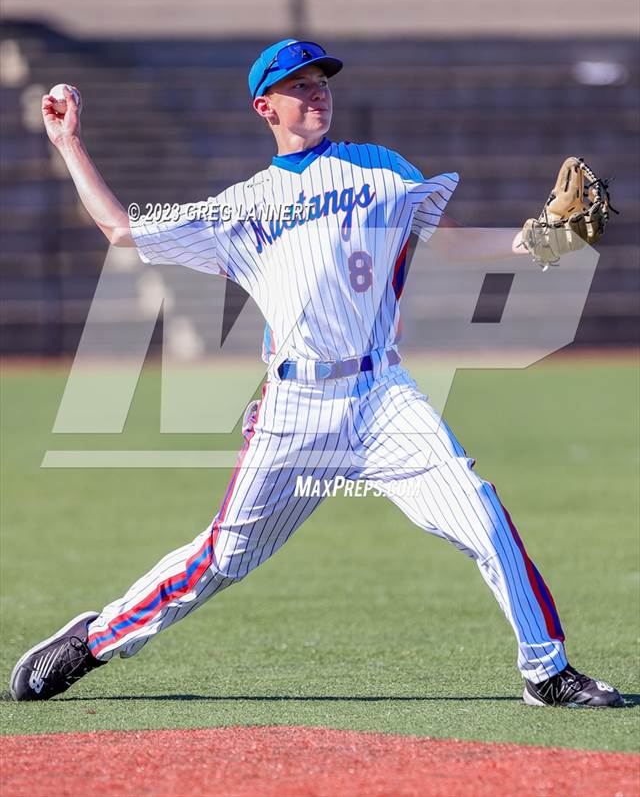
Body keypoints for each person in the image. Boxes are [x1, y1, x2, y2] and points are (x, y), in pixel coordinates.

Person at [10, 39, 623, 708]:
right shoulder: (242, 207)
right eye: (298, 84)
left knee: (482, 514)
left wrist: (543, 238)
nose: (316, 91)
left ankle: (546, 669)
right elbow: (121, 229)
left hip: (383, 395)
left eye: (321, 80)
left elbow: (449, 242)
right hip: (296, 406)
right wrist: (69, 143)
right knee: (218, 561)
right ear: (263, 105)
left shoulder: (383, 169)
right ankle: (93, 640)